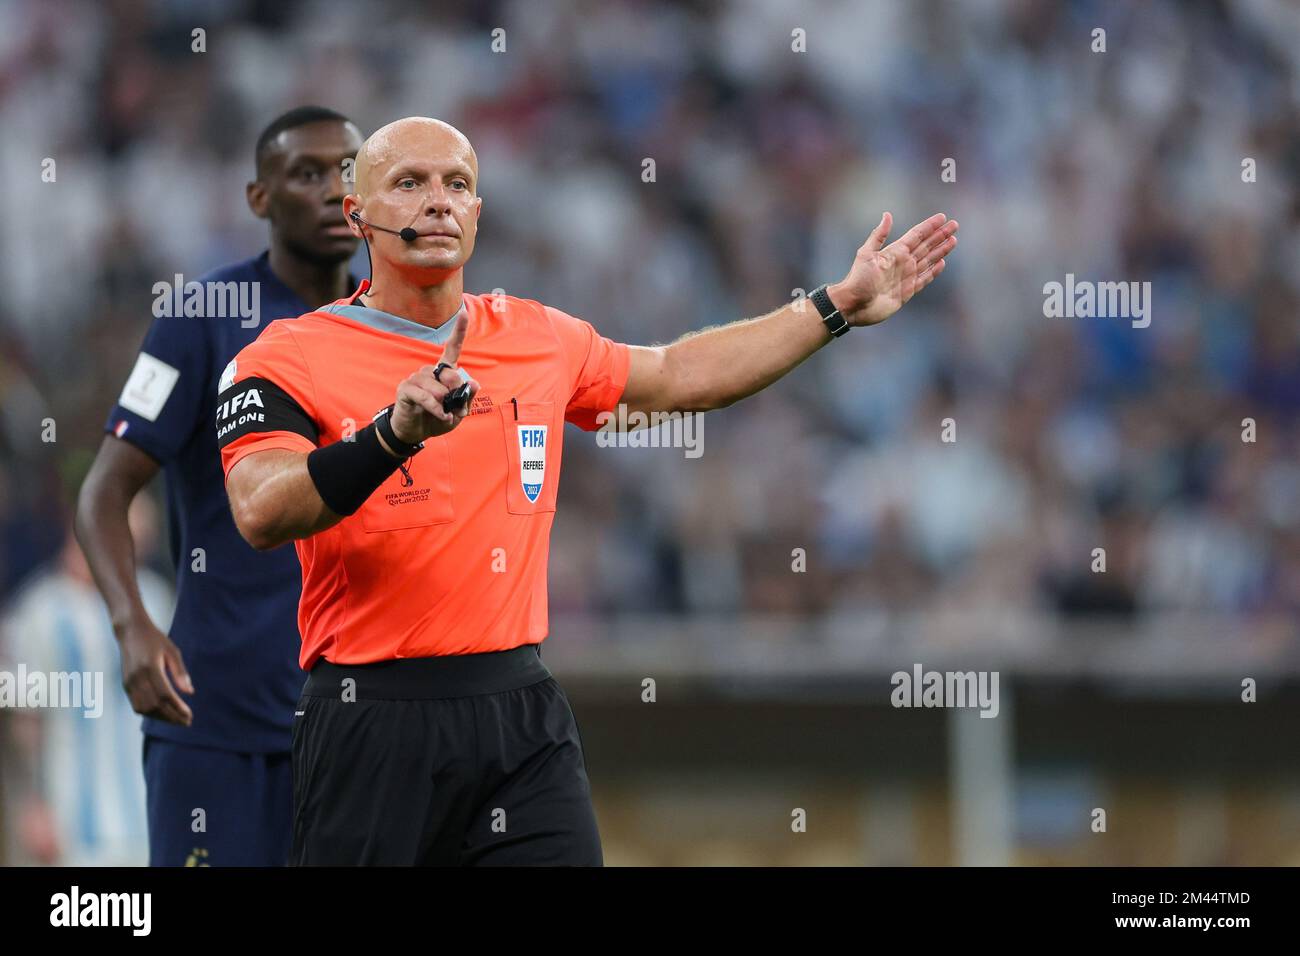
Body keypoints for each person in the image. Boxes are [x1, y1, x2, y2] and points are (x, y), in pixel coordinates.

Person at [216, 116, 958, 866]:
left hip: (520, 715)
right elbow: (260, 510)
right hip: (368, 719)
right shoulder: (289, 355)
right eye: (409, 183)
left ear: (478, 213)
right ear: (358, 218)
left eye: (458, 185)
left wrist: (832, 308)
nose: (438, 202)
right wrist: (390, 435)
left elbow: (677, 375)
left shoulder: (540, 337)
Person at [75, 106, 364, 866]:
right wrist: (132, 622)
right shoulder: (203, 315)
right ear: (259, 198)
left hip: (363, 726)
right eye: (308, 173)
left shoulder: (396, 323)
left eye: (350, 171)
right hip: (217, 721)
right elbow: (105, 490)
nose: (336, 191)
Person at [3, 491, 171, 867]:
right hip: (73, 824)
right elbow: (25, 723)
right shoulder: (38, 612)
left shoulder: (156, 600)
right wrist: (32, 804)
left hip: (146, 819)